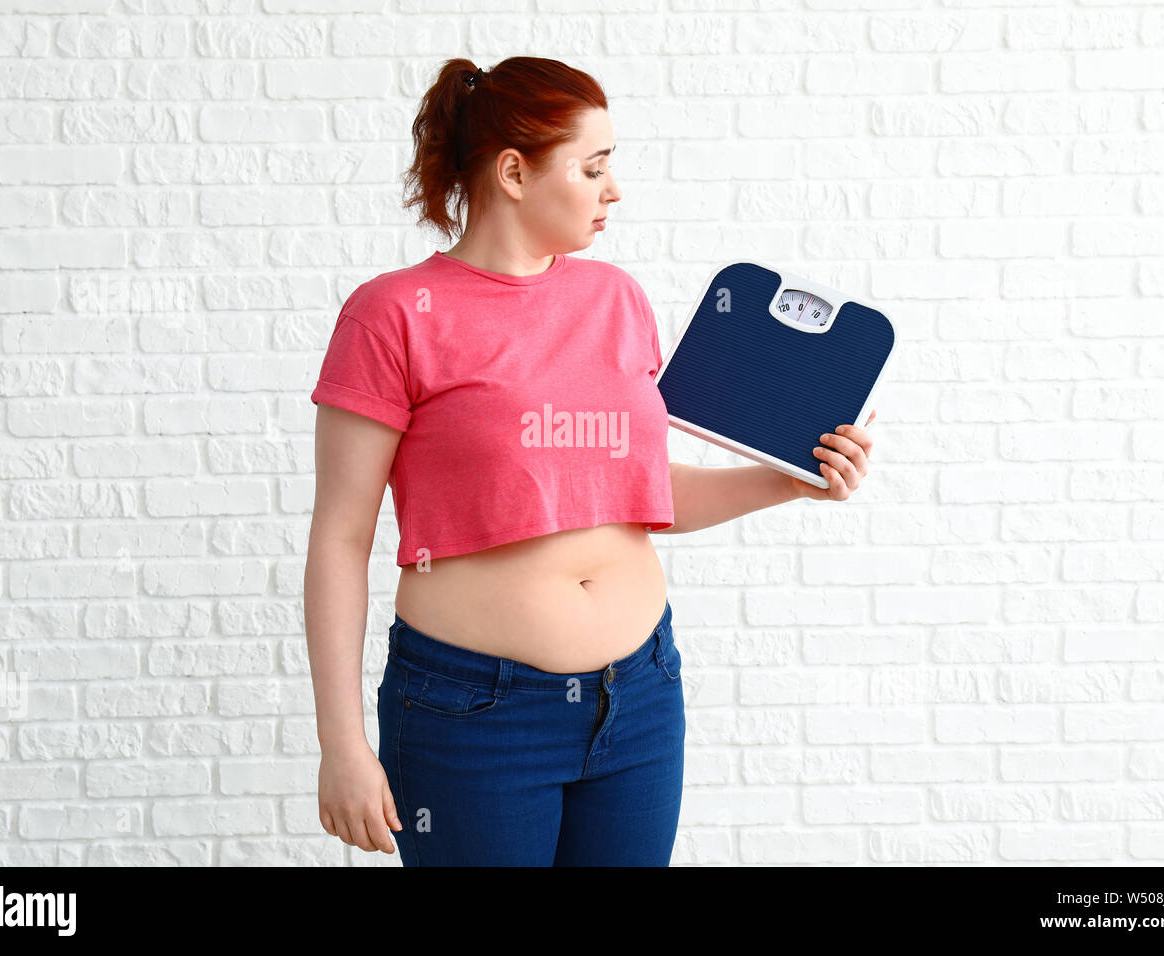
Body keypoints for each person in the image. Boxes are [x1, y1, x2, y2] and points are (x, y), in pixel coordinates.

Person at [303, 56, 876, 866]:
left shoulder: (617, 299)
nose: (614, 190)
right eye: (593, 167)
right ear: (513, 172)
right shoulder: (392, 315)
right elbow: (339, 537)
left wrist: (788, 482)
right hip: (473, 714)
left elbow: (629, 490)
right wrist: (342, 745)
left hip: (640, 699)